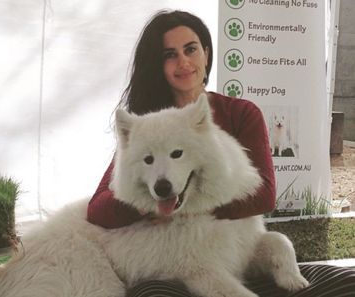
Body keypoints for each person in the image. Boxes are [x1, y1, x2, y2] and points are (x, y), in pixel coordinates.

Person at [87, 9, 355, 297]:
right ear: (158, 65)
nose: (183, 62)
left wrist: (194, 207)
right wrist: (149, 206)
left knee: (346, 280)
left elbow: (264, 194)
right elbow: (98, 208)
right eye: (169, 54)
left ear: (206, 52)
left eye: (190, 49)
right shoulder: (147, 128)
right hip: (173, 269)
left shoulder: (241, 113)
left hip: (234, 252)